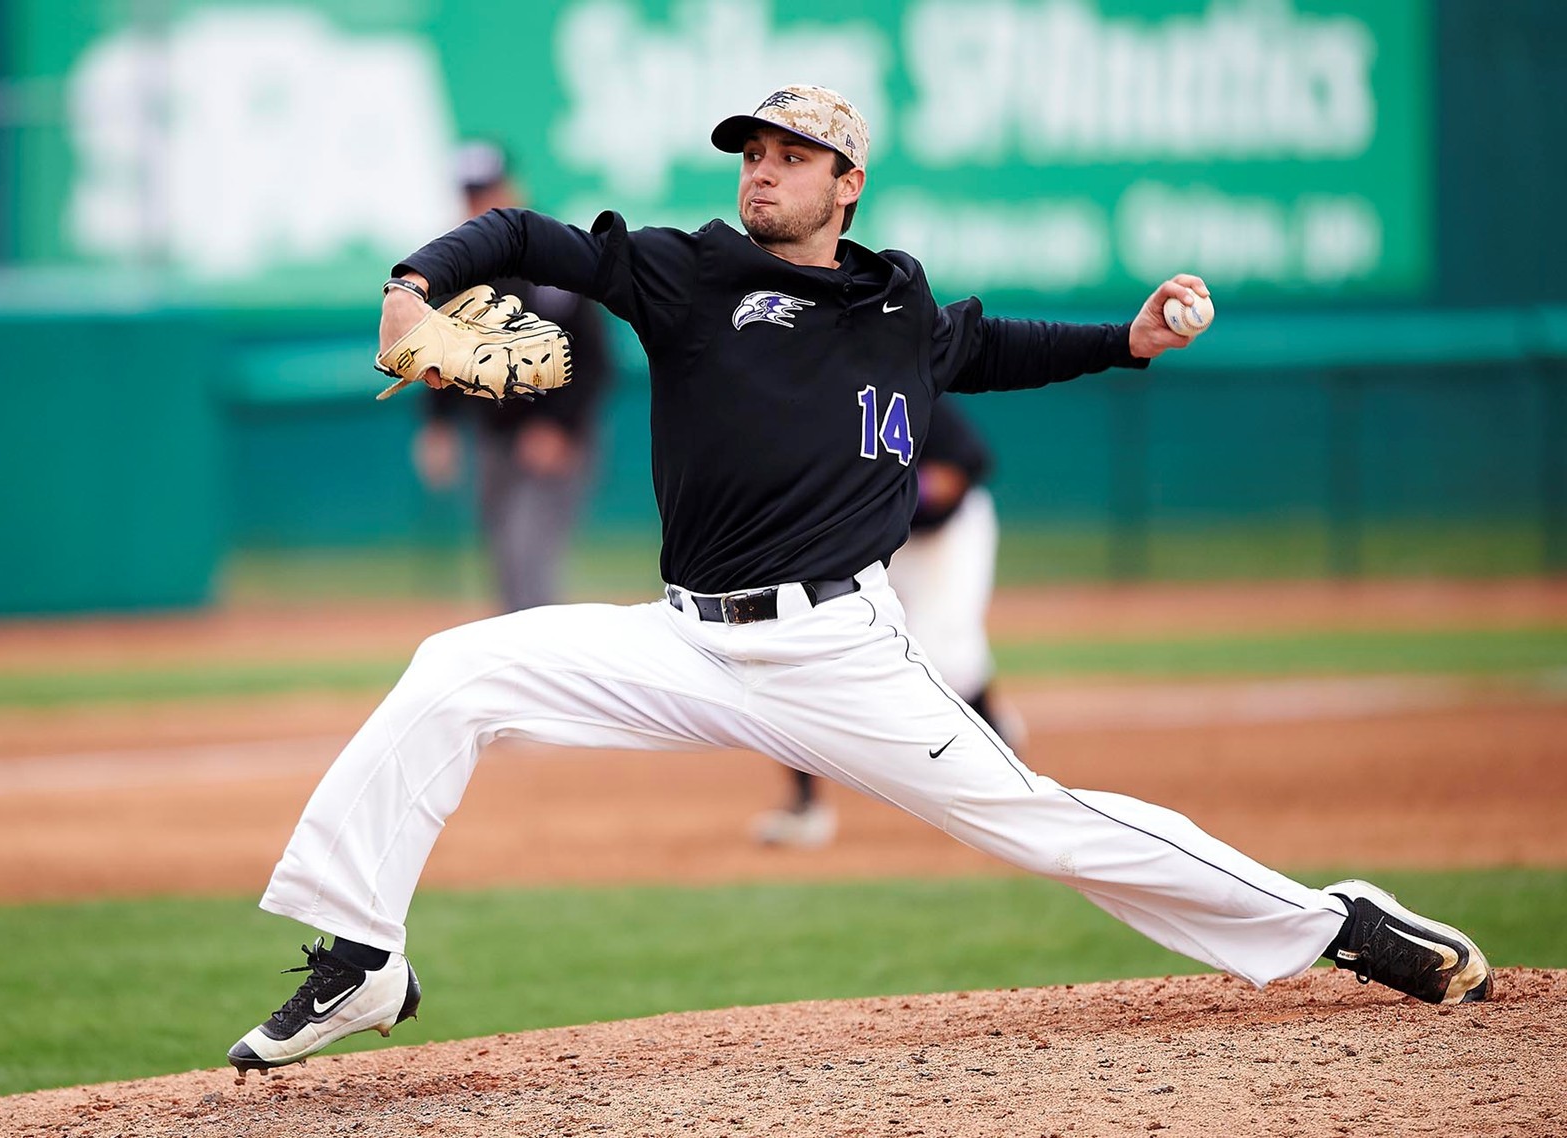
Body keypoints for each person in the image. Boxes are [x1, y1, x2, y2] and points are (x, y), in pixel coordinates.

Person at [229, 85, 1491, 1075]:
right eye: (750, 151)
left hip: (841, 654)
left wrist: (1126, 340)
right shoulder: (687, 273)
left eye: (788, 153)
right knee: (455, 668)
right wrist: (412, 290)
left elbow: (984, 346)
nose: (760, 169)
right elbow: (514, 231)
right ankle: (364, 952)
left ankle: (1333, 920)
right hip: (684, 642)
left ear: (846, 182)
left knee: (1043, 822)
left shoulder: (895, 304)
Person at [751, 396, 1022, 848]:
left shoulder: (895, 385)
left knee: (947, 658)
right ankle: (804, 806)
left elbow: (966, 466)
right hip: (871, 538)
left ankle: (1003, 764)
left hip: (943, 536)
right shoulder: (798, 405)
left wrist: (895, 496)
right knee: (801, 648)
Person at [414, 140, 612, 613]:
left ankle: (549, 678)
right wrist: (437, 424)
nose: (478, 205)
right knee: (506, 569)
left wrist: (559, 426)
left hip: (552, 443)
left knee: (528, 563)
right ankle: (520, 678)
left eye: (487, 191)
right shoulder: (461, 267)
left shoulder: (551, 258)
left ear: (512, 189)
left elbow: (596, 361)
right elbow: (440, 351)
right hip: (494, 440)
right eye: (470, 195)